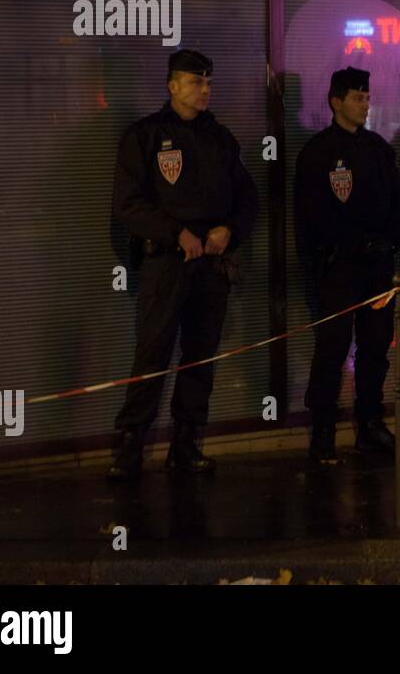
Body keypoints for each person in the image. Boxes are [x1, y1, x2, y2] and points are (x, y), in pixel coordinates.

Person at [108, 49, 260, 481]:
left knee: (200, 358)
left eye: (208, 82)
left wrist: (229, 230)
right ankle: (130, 447)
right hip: (166, 264)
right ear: (172, 86)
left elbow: (247, 199)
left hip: (211, 267)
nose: (204, 90)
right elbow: (128, 205)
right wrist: (177, 233)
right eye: (195, 82)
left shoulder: (220, 139)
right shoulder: (146, 136)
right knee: (152, 354)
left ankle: (187, 444)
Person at [294, 67, 400, 463]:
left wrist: (388, 244)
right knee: (331, 350)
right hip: (338, 267)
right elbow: (307, 217)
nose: (365, 104)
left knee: (375, 349)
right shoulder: (317, 153)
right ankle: (323, 433)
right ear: (335, 101)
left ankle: (370, 425)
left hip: (376, 265)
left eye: (367, 97)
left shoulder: (378, 148)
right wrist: (320, 265)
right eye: (357, 98)